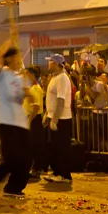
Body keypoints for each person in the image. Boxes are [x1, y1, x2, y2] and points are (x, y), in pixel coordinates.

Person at [0, 44, 33, 198]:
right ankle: (2, 174)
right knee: (13, 156)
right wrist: (6, 45)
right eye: (17, 57)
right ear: (9, 59)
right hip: (7, 121)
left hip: (20, 120)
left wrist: (25, 92)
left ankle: (14, 187)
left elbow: (20, 99)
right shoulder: (2, 75)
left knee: (26, 157)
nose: (19, 60)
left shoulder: (19, 78)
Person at [44, 54, 73, 184]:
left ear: (55, 64)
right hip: (54, 116)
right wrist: (47, 114)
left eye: (50, 61)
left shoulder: (62, 78)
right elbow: (51, 99)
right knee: (54, 148)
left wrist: (55, 119)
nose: (48, 64)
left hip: (62, 119)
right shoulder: (54, 77)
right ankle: (56, 172)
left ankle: (64, 174)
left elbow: (61, 100)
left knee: (62, 148)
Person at [24, 66, 47, 179]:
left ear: (32, 75)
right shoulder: (30, 88)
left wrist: (29, 120)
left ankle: (36, 169)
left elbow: (36, 107)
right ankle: (32, 167)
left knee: (35, 145)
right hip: (30, 118)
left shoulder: (36, 89)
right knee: (30, 145)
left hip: (34, 119)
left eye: (27, 74)